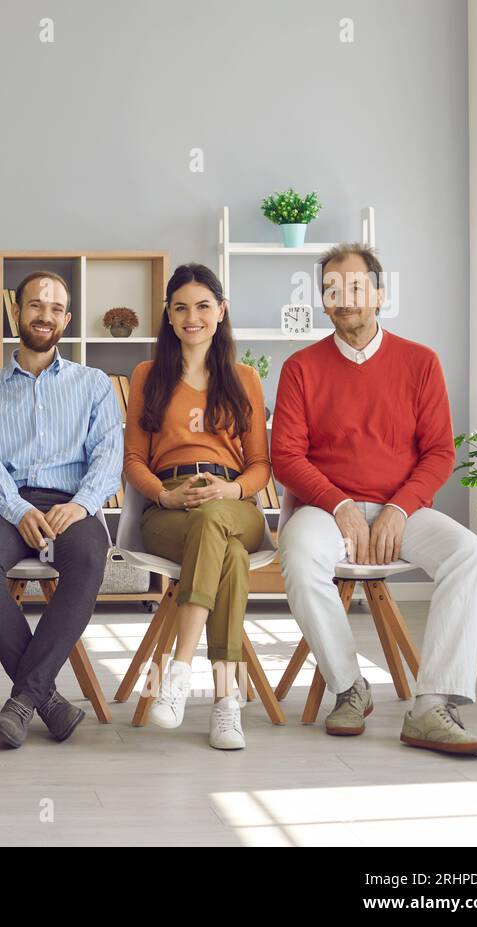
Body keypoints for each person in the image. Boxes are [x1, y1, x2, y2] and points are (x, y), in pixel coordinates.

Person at [273, 242, 477, 755]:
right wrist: (340, 504)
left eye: (354, 287)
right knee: (299, 555)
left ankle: (432, 705)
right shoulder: (301, 368)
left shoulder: (420, 362)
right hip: (326, 512)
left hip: (404, 510)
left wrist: (398, 507)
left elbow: (439, 453)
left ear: (379, 294)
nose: (343, 298)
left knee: (470, 554)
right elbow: (286, 457)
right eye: (332, 289)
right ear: (324, 300)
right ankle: (350, 687)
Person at [0, 270, 122, 748]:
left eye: (55, 309)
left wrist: (82, 504)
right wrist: (15, 509)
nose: (45, 316)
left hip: (71, 503)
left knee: (90, 559)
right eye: (35, 305)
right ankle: (45, 699)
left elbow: (109, 456)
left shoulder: (94, 385)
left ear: (67, 319)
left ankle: (23, 699)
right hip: (5, 502)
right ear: (17, 312)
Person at [124, 262, 270, 750]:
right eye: (181, 307)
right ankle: (226, 701)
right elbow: (134, 459)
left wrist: (229, 492)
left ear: (221, 311)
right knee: (223, 551)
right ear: (168, 315)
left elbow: (260, 465)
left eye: (203, 306)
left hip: (235, 503)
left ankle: (179, 670)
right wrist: (164, 494)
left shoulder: (245, 378)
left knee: (215, 521)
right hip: (168, 510)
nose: (193, 317)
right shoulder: (148, 375)